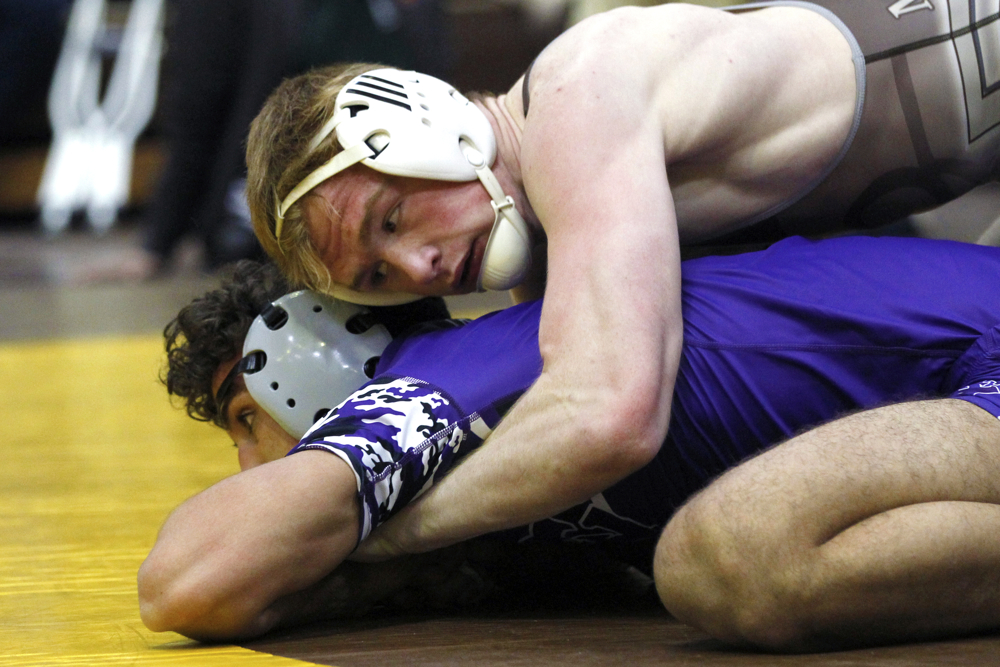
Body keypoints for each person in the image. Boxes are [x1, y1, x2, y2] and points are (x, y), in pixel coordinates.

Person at [241, 1, 1000, 576]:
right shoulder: (550, 235)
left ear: (427, 124)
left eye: (392, 218)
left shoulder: (577, 99)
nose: (420, 267)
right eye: (378, 276)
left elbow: (609, 419)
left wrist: (374, 530)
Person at [141, 235, 1000, 649]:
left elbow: (183, 583)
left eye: (245, 419)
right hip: (964, 394)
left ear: (307, 359)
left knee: (729, 551)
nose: (246, 466)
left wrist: (370, 538)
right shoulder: (485, 446)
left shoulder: (442, 379)